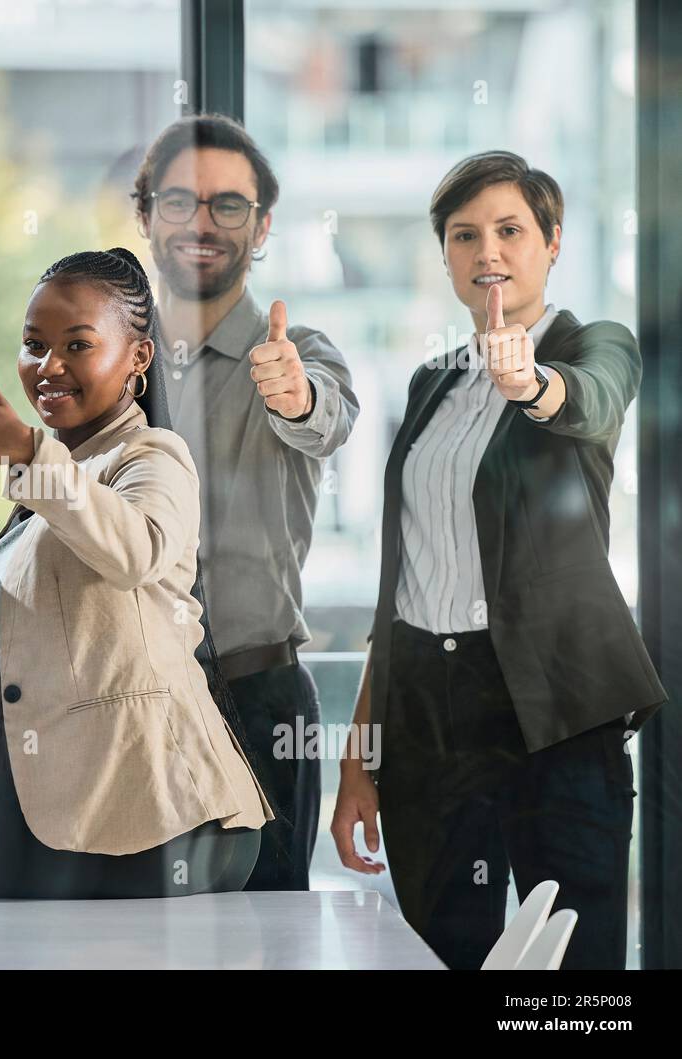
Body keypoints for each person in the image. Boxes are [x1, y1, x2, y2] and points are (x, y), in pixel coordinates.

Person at [0, 248, 273, 899]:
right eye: (34, 344)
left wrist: (26, 450)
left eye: (77, 344)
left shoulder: (153, 457)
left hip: (168, 816)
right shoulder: (44, 490)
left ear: (139, 358)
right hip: (63, 806)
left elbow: (134, 550)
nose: (49, 366)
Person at [330, 151, 667, 970]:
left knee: (574, 967)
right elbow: (405, 582)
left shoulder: (596, 345)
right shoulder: (431, 382)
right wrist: (358, 757)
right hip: (425, 710)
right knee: (440, 948)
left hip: (554, 708)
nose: (488, 251)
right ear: (445, 256)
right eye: (464, 235)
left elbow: (590, 401)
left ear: (551, 242)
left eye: (511, 230)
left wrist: (534, 385)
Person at [133, 115, 359, 890]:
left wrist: (294, 396)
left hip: (258, 704)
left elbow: (325, 415)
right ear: (146, 216)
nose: (202, 222)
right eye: (178, 202)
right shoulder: (109, 362)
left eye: (228, 205)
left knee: (267, 941)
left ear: (261, 227)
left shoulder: (299, 353)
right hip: (127, 706)